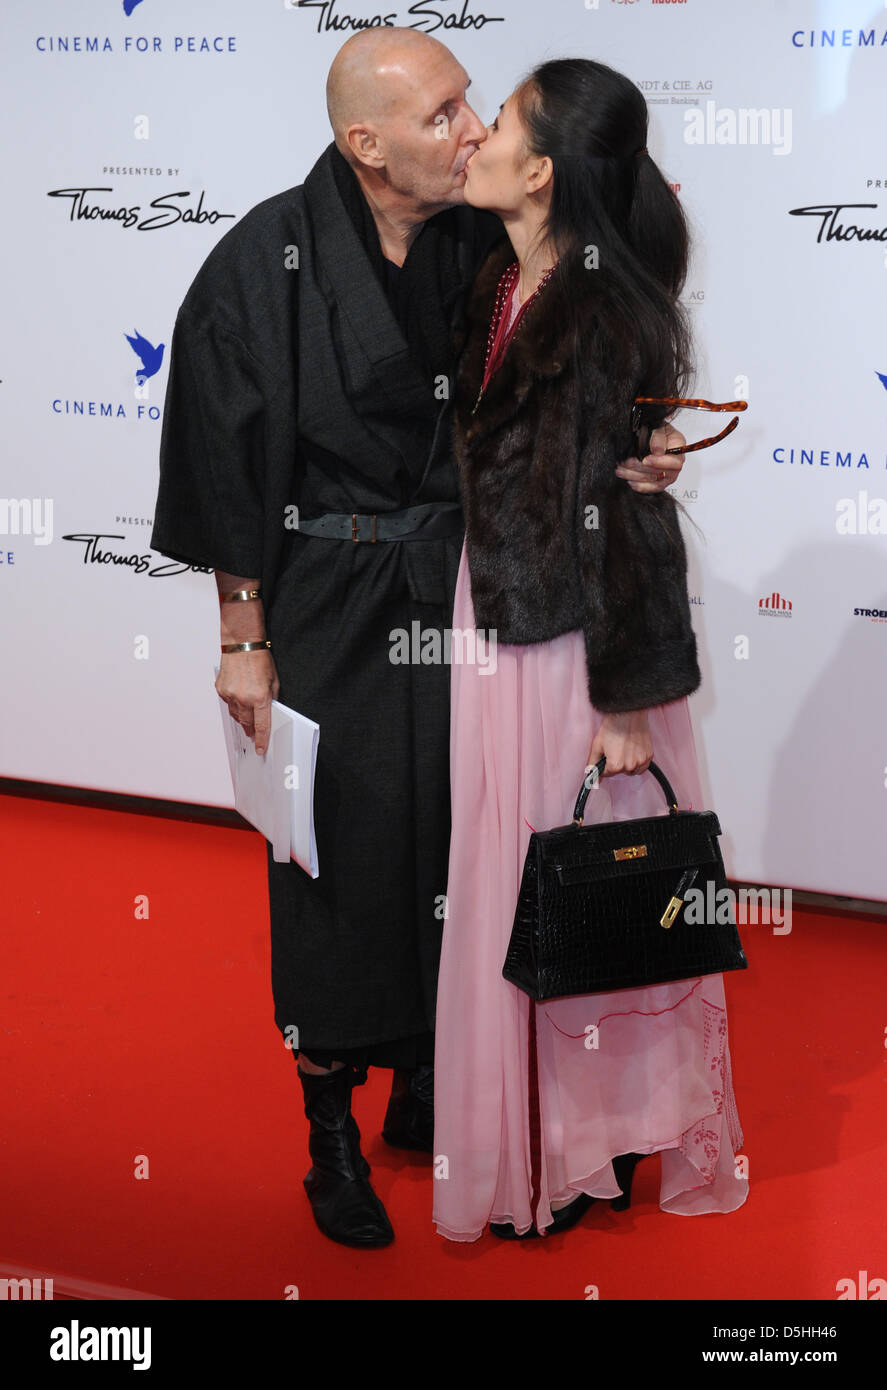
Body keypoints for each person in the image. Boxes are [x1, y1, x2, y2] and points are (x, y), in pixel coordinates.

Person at [150, 28, 689, 1250]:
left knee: (463, 847)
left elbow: (575, 336)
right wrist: (242, 636)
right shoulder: (258, 267)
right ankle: (327, 1128)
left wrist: (637, 439)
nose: (471, 132)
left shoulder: (473, 245)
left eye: (471, 109)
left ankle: (434, 1088)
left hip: (461, 597)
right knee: (337, 866)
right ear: (366, 143)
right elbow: (225, 463)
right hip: (327, 599)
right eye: (445, 114)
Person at [433, 57, 749, 1243]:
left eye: (497, 121)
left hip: (574, 649)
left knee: (576, 888)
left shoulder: (602, 311)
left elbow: (624, 513)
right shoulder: (497, 282)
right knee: (518, 878)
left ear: (543, 164)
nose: (474, 139)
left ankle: (583, 1146)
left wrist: (626, 700)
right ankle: (547, 1140)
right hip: (500, 626)